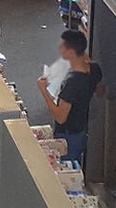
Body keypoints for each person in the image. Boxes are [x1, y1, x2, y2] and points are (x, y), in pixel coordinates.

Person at [37, 30, 103, 167]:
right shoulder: (94, 69)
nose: (59, 49)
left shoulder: (72, 84)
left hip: (67, 134)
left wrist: (44, 91)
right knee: (75, 162)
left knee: (65, 167)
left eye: (63, 47)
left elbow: (60, 117)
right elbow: (100, 90)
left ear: (71, 52)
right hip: (81, 128)